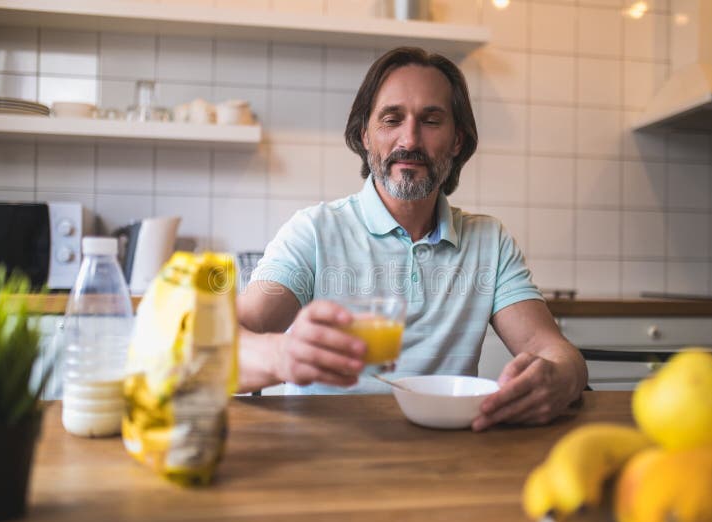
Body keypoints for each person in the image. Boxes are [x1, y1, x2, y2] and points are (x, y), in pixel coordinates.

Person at [237, 47, 587, 431]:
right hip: (326, 458)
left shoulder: (489, 240)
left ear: (457, 140)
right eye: (392, 119)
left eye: (431, 120)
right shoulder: (314, 232)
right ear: (364, 136)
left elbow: (551, 350)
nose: (410, 139)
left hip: (449, 459)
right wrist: (282, 354)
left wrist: (561, 379)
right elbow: (223, 344)